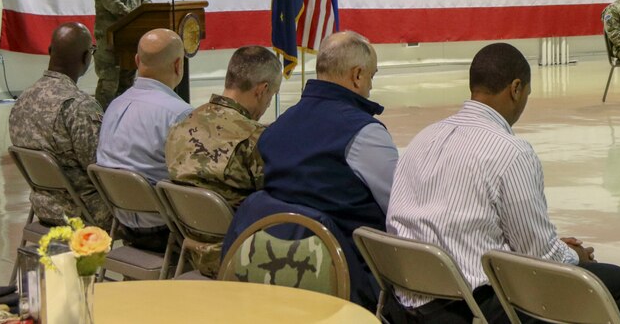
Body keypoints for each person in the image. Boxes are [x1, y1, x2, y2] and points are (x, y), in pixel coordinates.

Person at [386, 43, 620, 324]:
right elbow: (540, 256)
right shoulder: (510, 152)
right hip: (468, 307)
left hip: (405, 301)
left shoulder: (423, 138)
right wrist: (575, 254)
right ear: (516, 88)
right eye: (527, 95)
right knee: (616, 283)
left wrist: (550, 245)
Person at [259, 30, 398, 239]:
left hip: (275, 253)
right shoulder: (365, 133)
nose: (370, 86)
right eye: (372, 75)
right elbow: (402, 207)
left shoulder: (276, 128)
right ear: (357, 75)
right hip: (349, 263)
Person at [164, 45, 282, 277]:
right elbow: (274, 196)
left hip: (189, 248)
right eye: (272, 95)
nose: (269, 103)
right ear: (262, 90)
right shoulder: (253, 138)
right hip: (238, 258)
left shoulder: (181, 123)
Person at [8, 22, 111, 229]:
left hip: (43, 207)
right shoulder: (79, 106)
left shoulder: (23, 100)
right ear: (86, 57)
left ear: (49, 52)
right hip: (87, 212)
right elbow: (101, 168)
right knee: (162, 213)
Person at [96, 29, 192, 251]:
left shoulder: (113, 106)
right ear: (179, 65)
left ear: (137, 61)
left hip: (120, 220)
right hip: (165, 228)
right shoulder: (179, 114)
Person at [89, 0, 150, 110]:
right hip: (110, 38)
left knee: (128, 81)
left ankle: (123, 118)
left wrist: (149, 14)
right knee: (109, 83)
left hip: (130, 37)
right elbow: (112, 3)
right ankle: (101, 122)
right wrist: (138, 16)